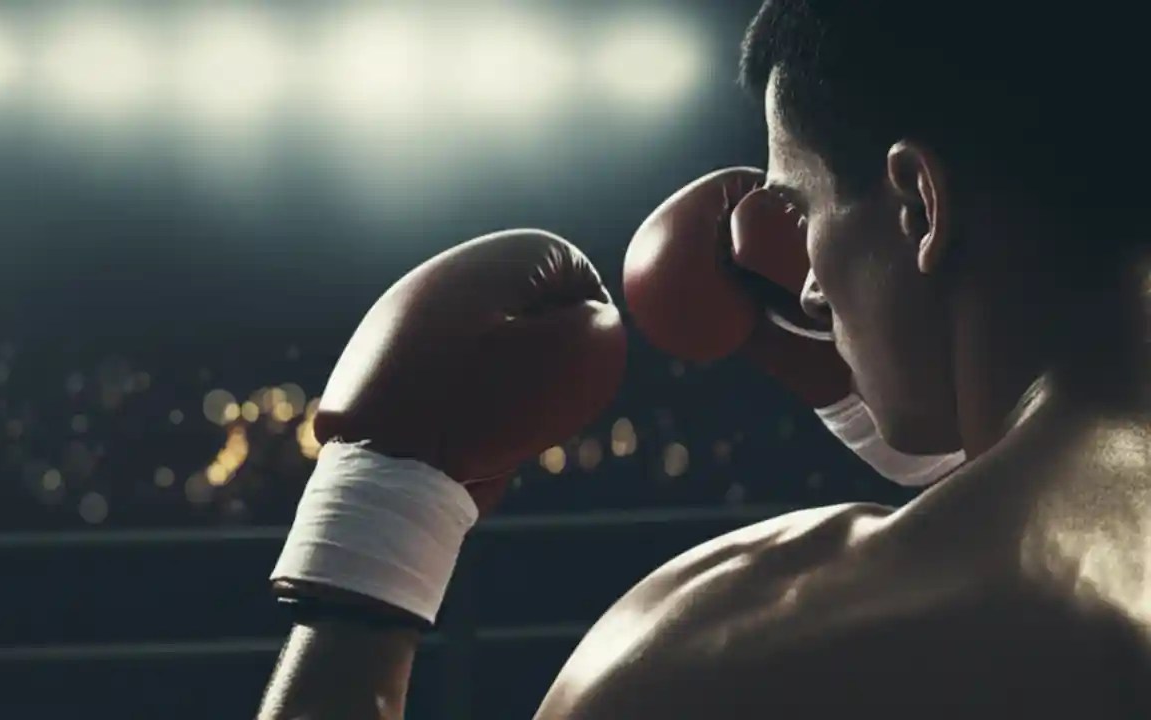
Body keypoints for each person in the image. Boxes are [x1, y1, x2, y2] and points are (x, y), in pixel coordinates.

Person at [259, 1, 1151, 717]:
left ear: (918, 204)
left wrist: (376, 528)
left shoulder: (757, 641)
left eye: (799, 213)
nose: (807, 290)